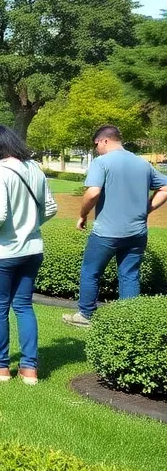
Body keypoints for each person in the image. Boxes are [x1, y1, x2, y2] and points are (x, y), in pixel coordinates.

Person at [0, 125, 57, 385]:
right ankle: (29, 369)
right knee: (23, 306)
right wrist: (30, 225)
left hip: (2, 253)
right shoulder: (34, 168)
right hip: (32, 250)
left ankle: (1, 366)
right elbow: (51, 208)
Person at [63, 125, 167, 327]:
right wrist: (147, 209)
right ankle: (129, 320)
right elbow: (165, 187)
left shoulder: (101, 163)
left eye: (96, 145)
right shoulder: (142, 164)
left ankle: (86, 315)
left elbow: (93, 193)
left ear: (104, 141)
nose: (96, 150)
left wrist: (82, 215)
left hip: (106, 233)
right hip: (137, 233)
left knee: (90, 271)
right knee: (129, 275)